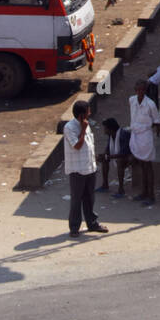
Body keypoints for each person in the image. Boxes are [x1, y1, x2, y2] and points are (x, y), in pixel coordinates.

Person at [65, 100, 108, 237]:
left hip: (89, 167)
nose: (90, 113)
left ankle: (92, 223)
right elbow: (76, 146)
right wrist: (83, 130)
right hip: (77, 170)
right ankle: (74, 227)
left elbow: (88, 145)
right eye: (88, 111)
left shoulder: (86, 124)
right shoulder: (70, 127)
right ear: (82, 114)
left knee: (90, 198)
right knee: (76, 199)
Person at [127, 80, 160, 204]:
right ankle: (144, 192)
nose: (139, 92)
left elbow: (157, 121)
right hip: (135, 135)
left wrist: (150, 131)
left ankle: (151, 195)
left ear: (145, 90)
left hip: (146, 136)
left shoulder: (150, 104)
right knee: (141, 165)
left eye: (142, 90)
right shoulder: (132, 100)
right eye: (137, 90)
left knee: (148, 166)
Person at [98, 116, 133, 197]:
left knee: (119, 161)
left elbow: (124, 153)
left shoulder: (123, 134)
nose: (104, 130)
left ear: (111, 129)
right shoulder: (111, 136)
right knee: (104, 159)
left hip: (131, 156)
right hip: (121, 155)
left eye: (105, 128)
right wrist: (102, 156)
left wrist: (108, 156)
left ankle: (121, 189)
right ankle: (105, 185)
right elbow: (108, 150)